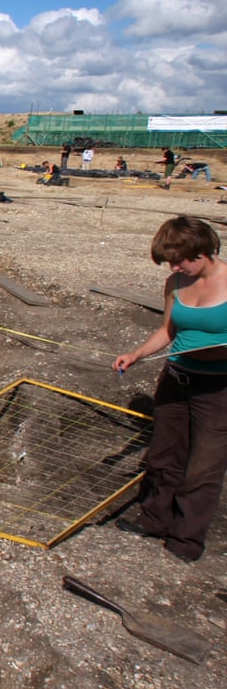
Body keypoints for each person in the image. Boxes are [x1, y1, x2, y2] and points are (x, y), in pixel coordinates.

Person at [112, 217, 227, 563]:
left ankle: (186, 540)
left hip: (218, 387)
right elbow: (168, 331)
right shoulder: (175, 282)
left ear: (203, 252)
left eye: (180, 259)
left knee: (204, 466)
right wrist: (136, 353)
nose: (175, 267)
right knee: (163, 456)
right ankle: (154, 520)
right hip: (177, 378)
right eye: (170, 262)